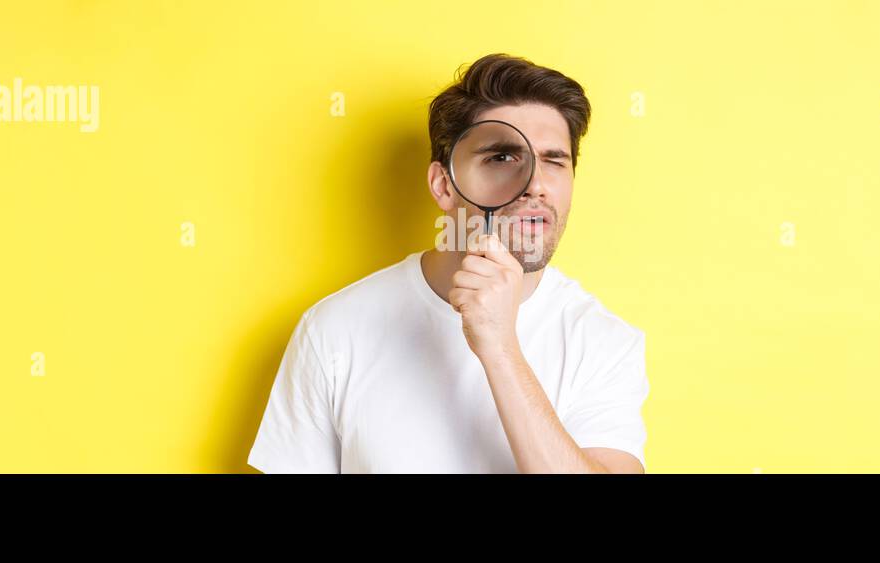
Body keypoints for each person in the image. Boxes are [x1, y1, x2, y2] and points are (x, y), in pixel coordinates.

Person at [248, 53, 649, 473]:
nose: (535, 185)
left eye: (553, 161)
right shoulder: (334, 330)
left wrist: (500, 349)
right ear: (444, 185)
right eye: (502, 157)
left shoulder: (604, 343)